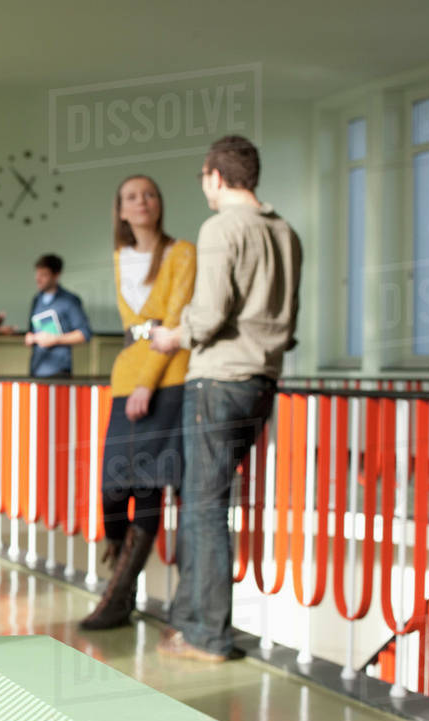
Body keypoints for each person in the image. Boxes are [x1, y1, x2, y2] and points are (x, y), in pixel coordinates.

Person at [150, 135, 302, 661]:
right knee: (206, 502)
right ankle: (191, 624)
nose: (205, 189)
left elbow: (210, 315)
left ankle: (208, 634)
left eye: (203, 178)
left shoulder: (221, 228)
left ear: (216, 175)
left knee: (205, 506)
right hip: (262, 381)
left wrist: (171, 335)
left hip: (218, 381)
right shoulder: (285, 232)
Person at [80, 176, 196, 630]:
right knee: (112, 486)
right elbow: (135, 329)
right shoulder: (118, 258)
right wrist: (134, 378)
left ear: (159, 204)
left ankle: (118, 597)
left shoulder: (181, 252)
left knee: (147, 485)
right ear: (121, 211)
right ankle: (118, 563)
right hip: (127, 375)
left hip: (167, 377)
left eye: (150, 194)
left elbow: (172, 321)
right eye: (131, 196)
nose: (142, 201)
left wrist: (148, 383)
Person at [23, 254, 92, 377]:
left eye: (44, 275)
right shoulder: (37, 300)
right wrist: (30, 338)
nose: (38, 279)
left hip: (59, 370)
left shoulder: (69, 301)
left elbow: (84, 334)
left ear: (56, 275)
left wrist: (55, 339)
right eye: (37, 274)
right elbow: (31, 331)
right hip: (37, 367)